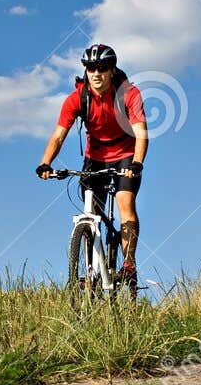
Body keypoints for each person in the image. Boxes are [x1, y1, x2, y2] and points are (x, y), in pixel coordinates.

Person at [36, 43, 148, 286]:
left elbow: (141, 133)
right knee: (91, 212)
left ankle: (128, 264)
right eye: (90, 68)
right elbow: (58, 135)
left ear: (111, 70)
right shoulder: (77, 98)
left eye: (102, 68)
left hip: (126, 155)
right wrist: (46, 163)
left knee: (124, 202)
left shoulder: (129, 94)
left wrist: (137, 163)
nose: (96, 73)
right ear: (85, 71)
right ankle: (91, 269)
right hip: (94, 157)